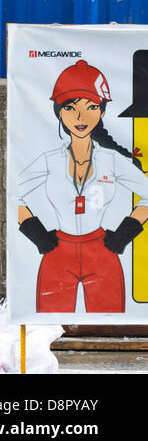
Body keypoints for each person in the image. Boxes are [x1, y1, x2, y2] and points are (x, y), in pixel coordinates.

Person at [16, 60, 148, 313]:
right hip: (57, 252)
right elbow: (13, 193)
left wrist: (124, 234)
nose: (80, 117)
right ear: (59, 112)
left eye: (91, 107)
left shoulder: (111, 161)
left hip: (102, 252)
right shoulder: (49, 160)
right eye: (69, 107)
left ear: (101, 111)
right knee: (48, 327)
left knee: (108, 324)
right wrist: (37, 234)